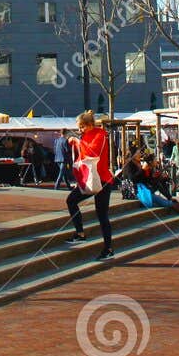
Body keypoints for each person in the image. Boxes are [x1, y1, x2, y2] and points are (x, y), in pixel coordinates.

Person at [65, 110, 115, 260]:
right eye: (79, 128)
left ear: (90, 124)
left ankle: (108, 248)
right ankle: (80, 232)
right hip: (89, 179)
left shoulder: (101, 135)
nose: (80, 130)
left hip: (102, 180)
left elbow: (93, 153)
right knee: (71, 200)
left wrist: (78, 142)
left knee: (102, 215)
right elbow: (83, 160)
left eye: (82, 127)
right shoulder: (86, 136)